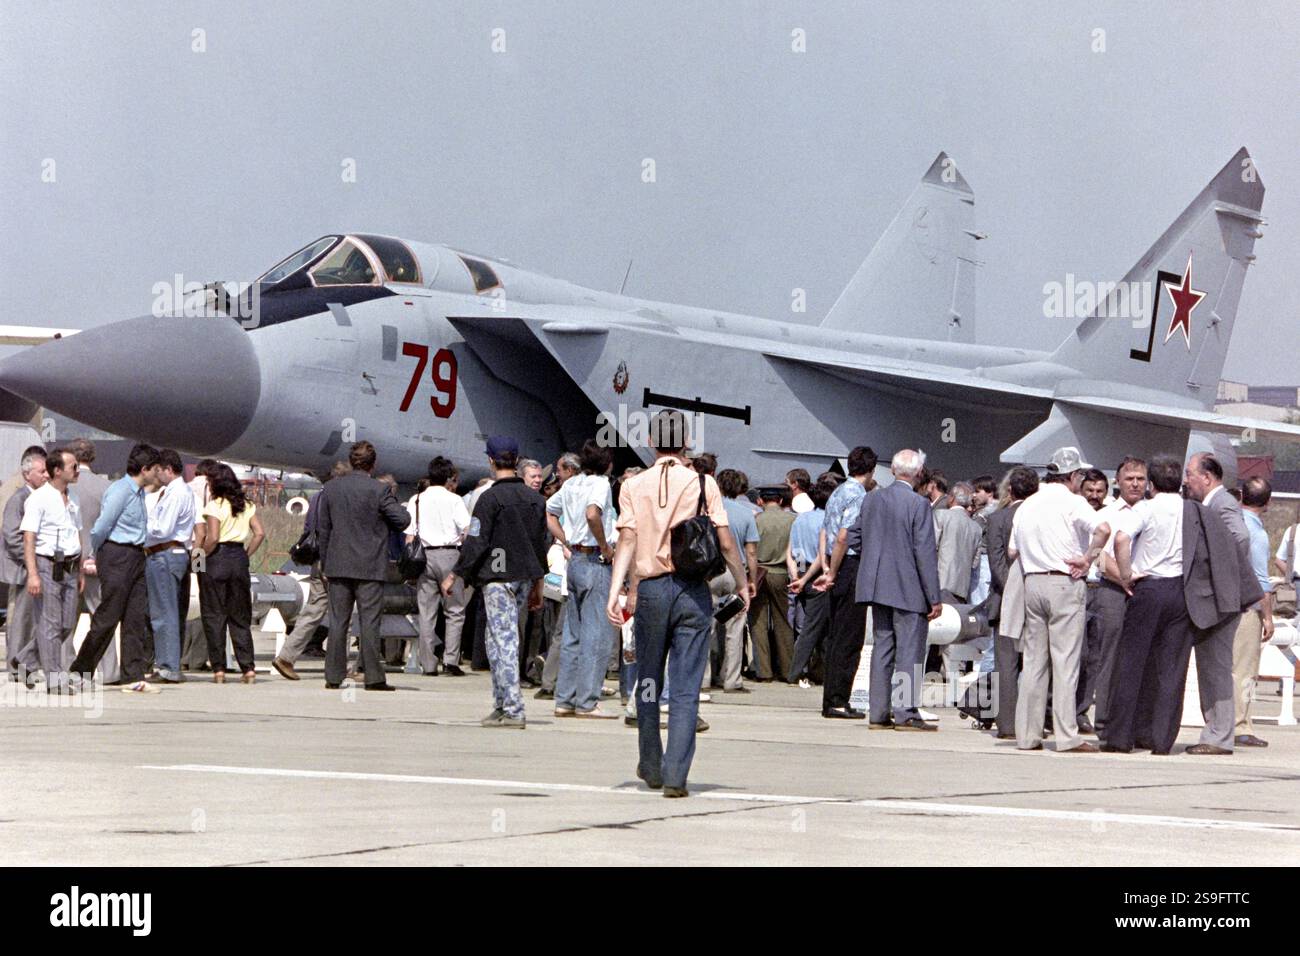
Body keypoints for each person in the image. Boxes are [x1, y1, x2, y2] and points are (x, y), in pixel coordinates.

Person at [605, 410, 746, 797]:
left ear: (650, 442)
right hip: (691, 590)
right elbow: (727, 542)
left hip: (650, 590)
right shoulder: (704, 483)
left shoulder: (632, 485)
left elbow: (627, 542)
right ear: (686, 443)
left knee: (649, 680)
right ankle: (676, 775)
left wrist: (615, 591)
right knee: (685, 687)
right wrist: (743, 584)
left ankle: (651, 763)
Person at [1006, 457, 1110, 752]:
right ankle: (1066, 735)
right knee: (1065, 661)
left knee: (1034, 662)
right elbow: (1103, 528)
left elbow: (1013, 550)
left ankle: (1027, 734)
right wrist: (1088, 558)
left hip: (1033, 582)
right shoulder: (1073, 502)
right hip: (1064, 581)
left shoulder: (1028, 504)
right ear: (1073, 476)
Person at [833, 449, 942, 731]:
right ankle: (905, 712)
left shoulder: (872, 499)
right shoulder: (919, 505)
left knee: (883, 648)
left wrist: (874, 555)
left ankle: (879, 713)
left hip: (877, 585)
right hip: (909, 587)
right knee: (909, 651)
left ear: (893, 471)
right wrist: (934, 597)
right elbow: (924, 552)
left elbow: (852, 535)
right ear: (918, 473)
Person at [449, 436, 549, 728]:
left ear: (491, 461)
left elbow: (476, 541)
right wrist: (538, 585)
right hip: (522, 577)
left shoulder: (489, 499)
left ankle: (514, 708)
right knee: (496, 640)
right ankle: (501, 703)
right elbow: (540, 545)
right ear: (516, 462)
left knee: (503, 640)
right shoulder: (535, 500)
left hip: (497, 578)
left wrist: (457, 573)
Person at [69, 443, 161, 693]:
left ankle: (132, 675)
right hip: (117, 554)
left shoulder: (140, 492)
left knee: (134, 619)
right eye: (156, 469)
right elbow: (101, 527)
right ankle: (81, 669)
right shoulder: (120, 491)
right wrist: (94, 555)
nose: (158, 474)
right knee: (108, 615)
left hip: (136, 555)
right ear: (145, 469)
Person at [316, 442, 408, 691]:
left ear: (351, 461)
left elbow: (323, 529)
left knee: (338, 622)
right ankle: (373, 677)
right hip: (370, 566)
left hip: (338, 564)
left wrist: (325, 563)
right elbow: (402, 519)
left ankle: (333, 676)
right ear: (373, 464)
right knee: (369, 622)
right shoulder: (379, 490)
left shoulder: (331, 488)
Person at [1183, 452, 1257, 754]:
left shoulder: (1222, 503)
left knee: (1216, 668)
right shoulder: (1210, 504)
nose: (1187, 481)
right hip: (1218, 598)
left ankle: (1219, 736)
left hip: (1221, 600)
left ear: (1207, 477)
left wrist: (1217, 572)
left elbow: (1239, 538)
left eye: (1190, 474)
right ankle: (1215, 731)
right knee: (1210, 668)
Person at [546, 438, 618, 718]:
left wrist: (566, 540)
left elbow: (550, 513)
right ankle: (587, 700)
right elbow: (593, 514)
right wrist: (605, 546)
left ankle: (565, 698)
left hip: (574, 559)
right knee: (596, 635)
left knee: (572, 634)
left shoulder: (572, 483)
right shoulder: (600, 484)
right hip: (593, 560)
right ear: (607, 464)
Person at [814, 446, 876, 719]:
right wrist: (834, 571)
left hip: (834, 562)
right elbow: (844, 536)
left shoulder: (838, 491)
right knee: (850, 638)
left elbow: (826, 532)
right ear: (871, 470)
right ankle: (839, 699)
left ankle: (832, 698)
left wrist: (826, 565)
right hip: (849, 565)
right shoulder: (858, 495)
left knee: (837, 635)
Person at [272, 464, 347, 680]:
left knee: (313, 611)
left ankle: (286, 656)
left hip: (316, 561)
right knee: (345, 615)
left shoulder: (316, 498)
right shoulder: (336, 500)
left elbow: (308, 529)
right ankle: (341, 664)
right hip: (333, 560)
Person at [1090, 457, 1148, 735]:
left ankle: (1137, 722)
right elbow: (1098, 554)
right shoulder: (1106, 514)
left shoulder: (1154, 511)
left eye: (1140, 479)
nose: (1135, 484)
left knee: (1144, 658)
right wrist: (1124, 578)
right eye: (1130, 479)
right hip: (1113, 590)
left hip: (1147, 591)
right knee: (1109, 657)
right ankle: (1105, 721)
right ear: (1118, 482)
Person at [20, 448, 83, 693]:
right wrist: (33, 573)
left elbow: (77, 533)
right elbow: (29, 537)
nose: (77, 471)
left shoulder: (73, 497)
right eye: (73, 467)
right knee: (50, 624)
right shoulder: (38, 498)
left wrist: (79, 570)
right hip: (47, 565)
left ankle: (26, 660)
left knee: (66, 623)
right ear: (58, 470)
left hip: (70, 565)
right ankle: (55, 680)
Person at [198, 464, 265, 684]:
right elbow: (259, 533)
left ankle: (219, 669)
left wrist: (198, 558)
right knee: (240, 616)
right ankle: (248, 668)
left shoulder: (214, 506)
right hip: (238, 558)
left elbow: (213, 537)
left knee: (214, 615)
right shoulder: (246, 505)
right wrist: (246, 554)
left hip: (217, 559)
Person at [407, 456, 472, 677]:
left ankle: (428, 663)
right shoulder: (455, 500)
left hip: (424, 557)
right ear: (448, 478)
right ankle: (451, 660)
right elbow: (466, 529)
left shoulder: (416, 500)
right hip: (450, 555)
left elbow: (409, 536)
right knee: (454, 610)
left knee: (426, 612)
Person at [985, 466, 1038, 739]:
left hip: (1005, 600)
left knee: (1005, 664)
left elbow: (996, 564)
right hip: (1039, 597)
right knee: (1036, 662)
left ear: (1010, 490)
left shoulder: (997, 519)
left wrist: (1013, 591)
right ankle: (1033, 721)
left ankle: (1006, 724)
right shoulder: (1040, 516)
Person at [143, 449, 197, 684]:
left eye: (158, 470)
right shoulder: (176, 492)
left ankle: (168, 666)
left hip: (165, 553)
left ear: (167, 469)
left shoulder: (175, 494)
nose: (157, 476)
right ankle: (168, 662)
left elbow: (163, 529)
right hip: (172, 553)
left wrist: (143, 530)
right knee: (170, 610)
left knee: (164, 612)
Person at [1234, 477, 1275, 748]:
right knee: (1246, 670)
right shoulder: (1257, 534)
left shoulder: (1234, 524)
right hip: (1248, 609)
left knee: (1231, 668)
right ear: (1268, 503)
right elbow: (1261, 581)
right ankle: (1241, 725)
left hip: (1228, 607)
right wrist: (1268, 617)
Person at [786, 473, 836, 686]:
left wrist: (796, 576)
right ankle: (795, 671)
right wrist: (807, 578)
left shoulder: (800, 519)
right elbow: (821, 555)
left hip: (799, 570)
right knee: (813, 628)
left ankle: (821, 671)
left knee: (817, 626)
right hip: (816, 576)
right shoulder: (827, 522)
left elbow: (789, 552)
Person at [2, 447, 46, 685]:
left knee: (32, 620)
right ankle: (15, 668)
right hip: (22, 571)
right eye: (41, 472)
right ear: (27, 474)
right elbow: (12, 536)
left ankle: (25, 664)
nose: (46, 476)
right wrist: (33, 562)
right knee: (20, 621)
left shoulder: (38, 497)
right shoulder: (19, 499)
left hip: (33, 569)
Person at [716, 469, 759, 687]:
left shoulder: (710, 511)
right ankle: (731, 679)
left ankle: (704, 678)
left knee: (706, 626)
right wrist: (750, 579)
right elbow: (751, 551)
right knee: (734, 626)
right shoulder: (746, 514)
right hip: (735, 573)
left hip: (710, 572)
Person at [750, 487, 796, 682]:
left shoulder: (757, 520)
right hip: (781, 572)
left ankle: (763, 671)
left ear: (761, 500)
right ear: (780, 500)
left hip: (759, 572)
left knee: (758, 621)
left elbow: (750, 548)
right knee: (783, 622)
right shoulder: (792, 520)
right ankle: (787, 669)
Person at [933, 482, 982, 602]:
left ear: (952, 498)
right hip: (962, 588)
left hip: (939, 584)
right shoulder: (976, 528)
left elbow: (930, 547)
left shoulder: (941, 515)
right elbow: (975, 563)